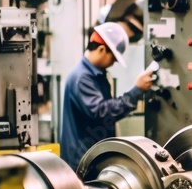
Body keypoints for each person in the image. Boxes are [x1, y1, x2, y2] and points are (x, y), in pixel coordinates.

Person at [60, 22, 153, 169]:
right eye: (113, 58)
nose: (113, 63)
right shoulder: (82, 78)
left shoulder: (96, 75)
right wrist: (136, 91)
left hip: (94, 156)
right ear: (102, 49)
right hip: (82, 162)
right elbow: (103, 112)